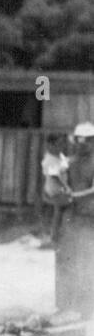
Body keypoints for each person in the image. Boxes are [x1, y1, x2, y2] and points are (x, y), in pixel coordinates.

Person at [56, 122, 94, 316]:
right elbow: (60, 190)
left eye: (87, 140)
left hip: (90, 220)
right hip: (72, 219)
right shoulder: (69, 163)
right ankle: (64, 305)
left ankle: (86, 308)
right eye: (80, 140)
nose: (83, 144)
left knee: (88, 263)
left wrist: (73, 196)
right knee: (67, 262)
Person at [41, 132, 71, 246]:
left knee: (62, 208)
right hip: (55, 188)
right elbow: (54, 176)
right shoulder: (50, 159)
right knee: (59, 210)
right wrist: (66, 187)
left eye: (62, 144)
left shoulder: (60, 156)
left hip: (61, 188)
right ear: (50, 145)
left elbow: (66, 163)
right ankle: (54, 236)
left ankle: (60, 233)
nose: (61, 147)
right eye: (58, 145)